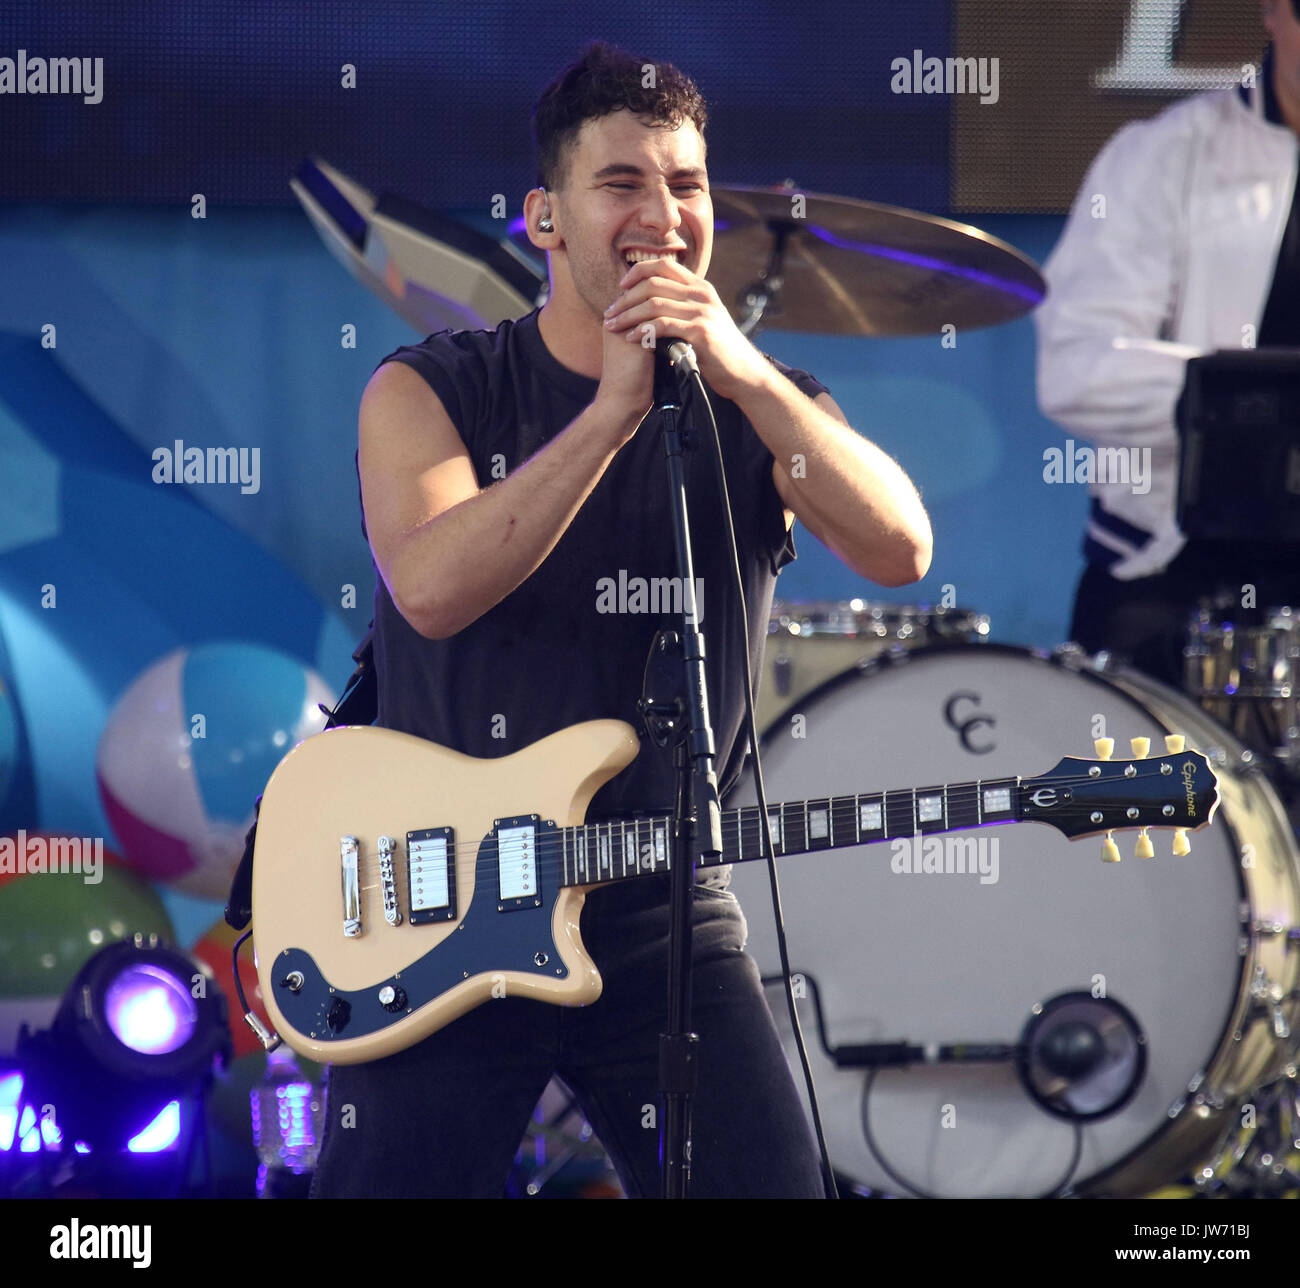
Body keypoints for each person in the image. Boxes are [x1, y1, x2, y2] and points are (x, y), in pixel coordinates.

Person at [309, 42, 931, 1199]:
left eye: (686, 185)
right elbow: (433, 585)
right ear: (545, 217)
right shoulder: (432, 388)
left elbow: (901, 549)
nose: (662, 213)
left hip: (660, 901)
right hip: (444, 898)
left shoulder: (755, 402)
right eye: (623, 185)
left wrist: (739, 369)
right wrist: (609, 414)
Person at [1035, 0, 1300, 690]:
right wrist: (1256, 404)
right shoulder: (1164, 153)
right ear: (1274, 10)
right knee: (1133, 790)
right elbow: (1076, 366)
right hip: (1171, 570)